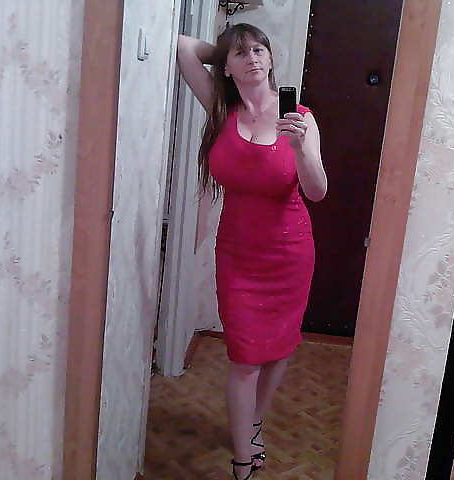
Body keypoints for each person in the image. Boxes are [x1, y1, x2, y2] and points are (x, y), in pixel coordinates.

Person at [176, 23, 327, 480]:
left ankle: (254, 423)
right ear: (226, 67)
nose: (253, 58)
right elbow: (183, 47)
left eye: (260, 50)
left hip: (290, 252)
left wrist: (300, 148)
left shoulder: (300, 117)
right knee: (244, 358)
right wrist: (227, 51)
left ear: (272, 58)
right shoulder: (221, 108)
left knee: (278, 350)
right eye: (241, 54)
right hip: (238, 255)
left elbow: (317, 191)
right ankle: (243, 459)